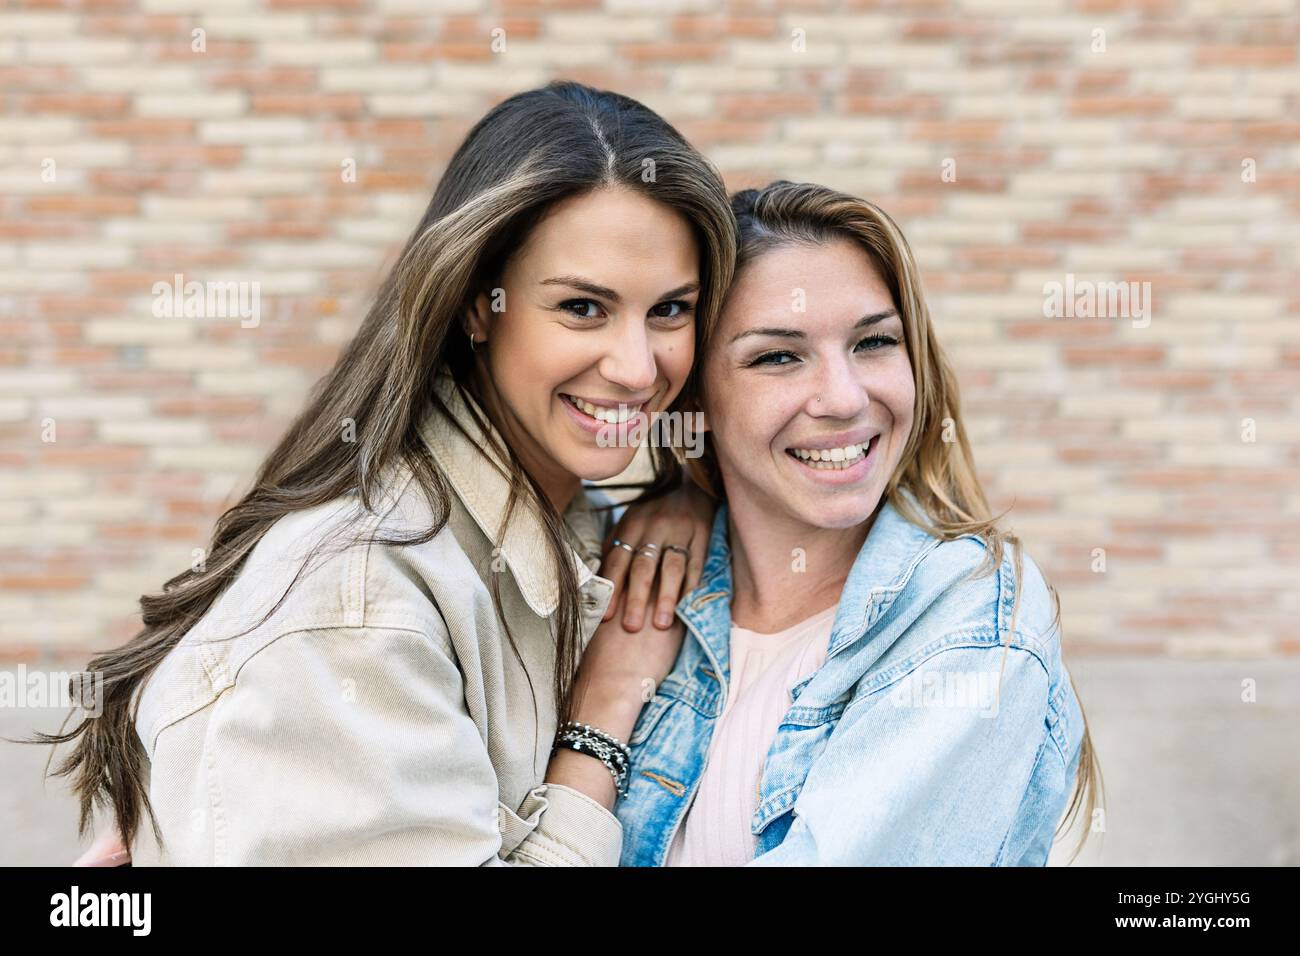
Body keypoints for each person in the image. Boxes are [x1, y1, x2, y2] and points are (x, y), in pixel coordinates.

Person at [42, 81, 732, 866]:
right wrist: (600, 723)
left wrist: (692, 493)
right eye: (582, 308)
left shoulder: (569, 523)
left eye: (671, 310)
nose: (637, 365)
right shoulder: (358, 604)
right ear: (478, 305)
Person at [610, 181, 1103, 866]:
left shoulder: (969, 626)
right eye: (778, 356)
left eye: (873, 342)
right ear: (692, 394)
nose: (844, 398)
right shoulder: (625, 580)